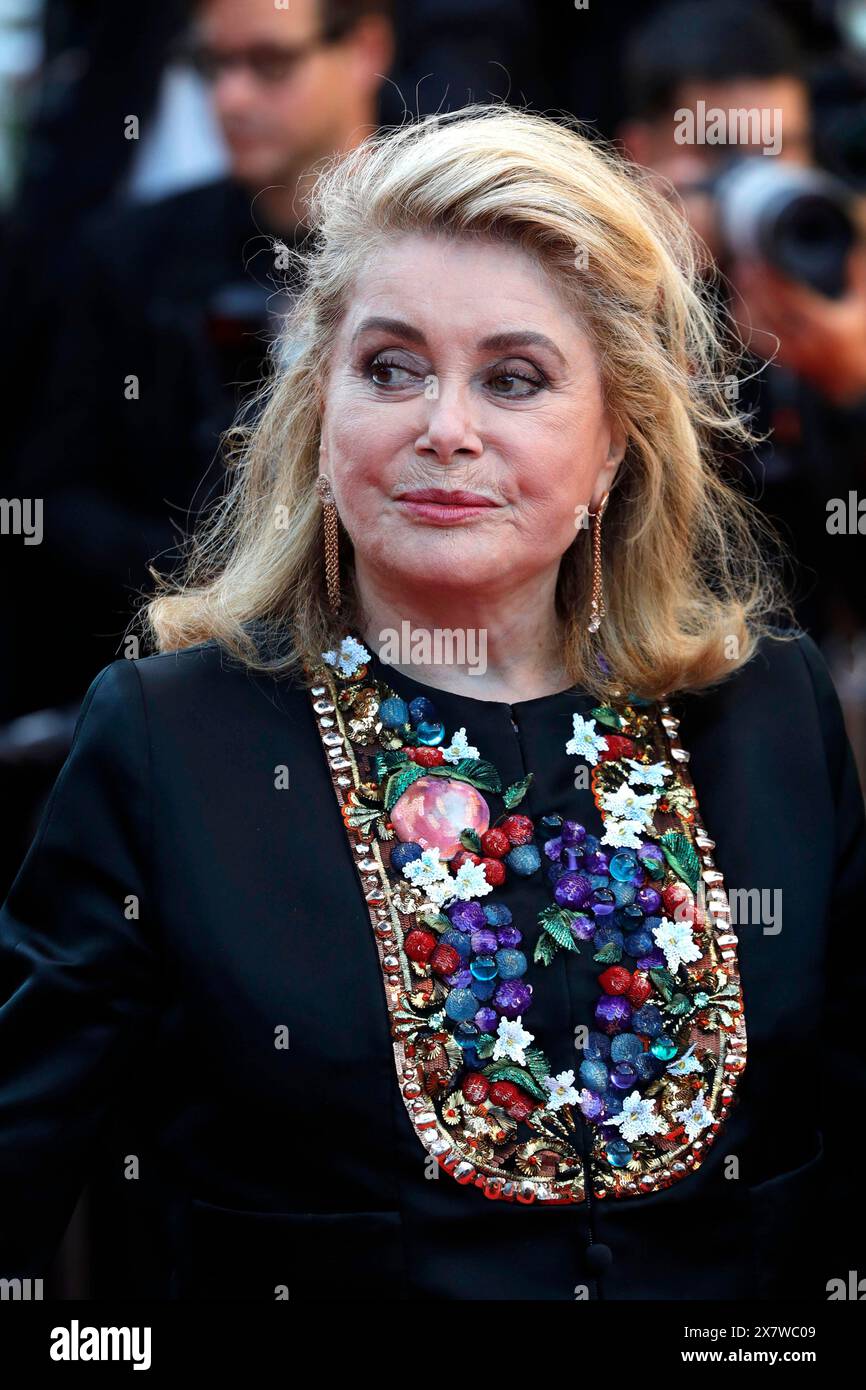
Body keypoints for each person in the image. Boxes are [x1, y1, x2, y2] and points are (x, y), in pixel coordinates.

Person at [1, 103, 864, 1302]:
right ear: (317, 413)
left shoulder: (764, 710)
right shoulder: (170, 737)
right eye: (390, 368)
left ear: (615, 439)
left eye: (514, 379)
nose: (442, 428)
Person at [618, 0, 866, 646]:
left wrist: (852, 393)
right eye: (718, 152)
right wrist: (659, 315)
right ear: (640, 158)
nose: (754, 181)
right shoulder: (594, 300)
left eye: (779, 150)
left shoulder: (844, 286)